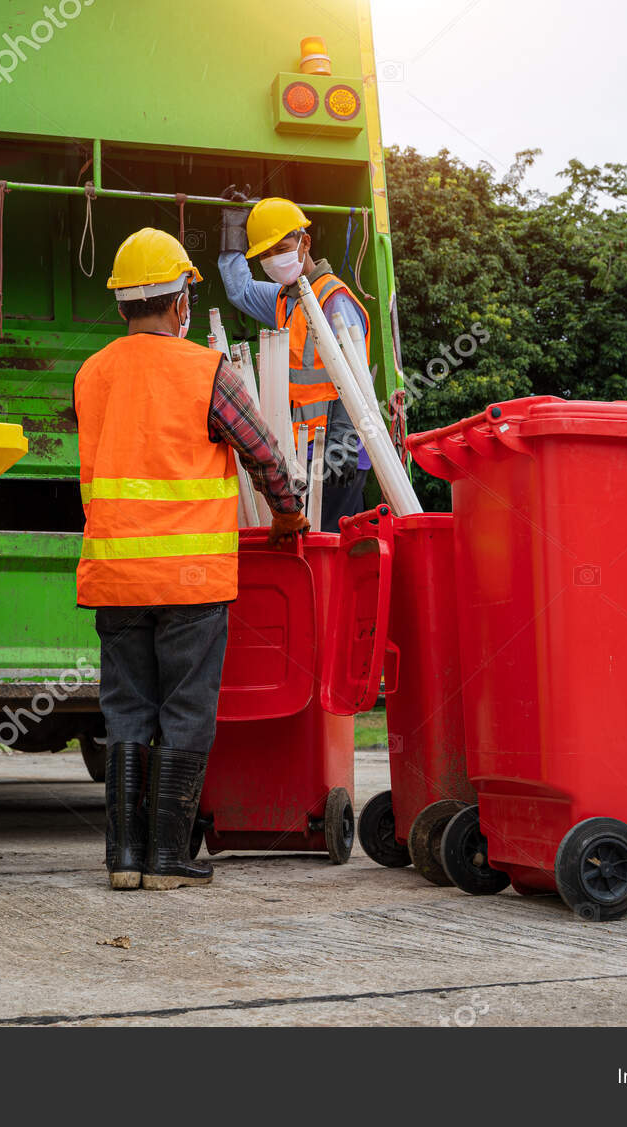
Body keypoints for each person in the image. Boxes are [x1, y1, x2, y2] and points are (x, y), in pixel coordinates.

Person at [74, 227, 308, 892]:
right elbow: (264, 454)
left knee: (126, 712)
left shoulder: (91, 374)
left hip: (116, 578)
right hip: (190, 580)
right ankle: (169, 860)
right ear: (182, 302)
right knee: (185, 709)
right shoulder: (207, 371)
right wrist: (288, 514)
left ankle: (123, 859)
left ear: (123, 304)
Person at [218, 192, 372, 532]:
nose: (274, 260)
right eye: (266, 254)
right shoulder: (283, 299)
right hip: (303, 452)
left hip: (337, 454)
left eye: (281, 249)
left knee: (329, 548)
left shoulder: (333, 300)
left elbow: (357, 378)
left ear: (305, 242)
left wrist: (343, 442)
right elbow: (240, 289)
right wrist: (232, 227)